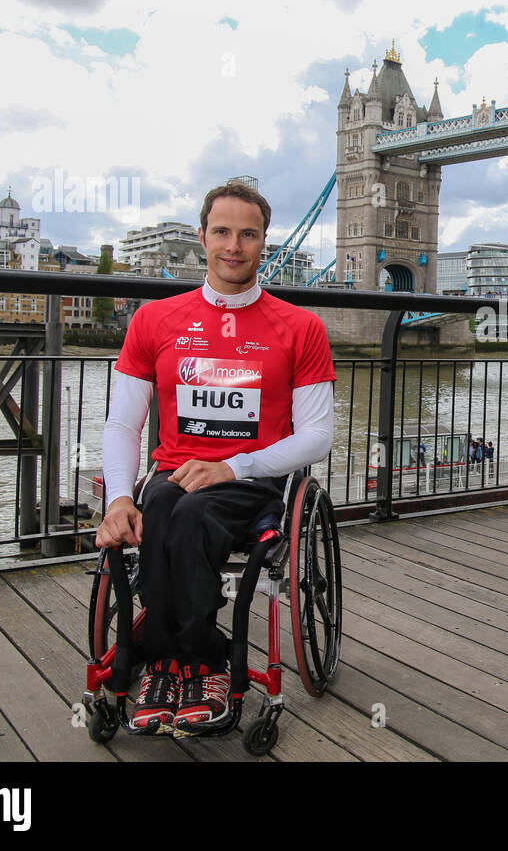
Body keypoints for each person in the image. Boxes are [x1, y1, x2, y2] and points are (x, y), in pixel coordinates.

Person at [95, 182, 335, 736]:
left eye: (248, 234)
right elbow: (123, 424)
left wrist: (234, 467)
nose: (234, 245)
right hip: (173, 473)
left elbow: (318, 435)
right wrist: (117, 498)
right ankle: (191, 661)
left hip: (252, 480)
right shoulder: (154, 320)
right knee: (158, 511)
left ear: (264, 243)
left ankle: (178, 666)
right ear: (202, 237)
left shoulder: (300, 328)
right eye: (222, 232)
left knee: (193, 515)